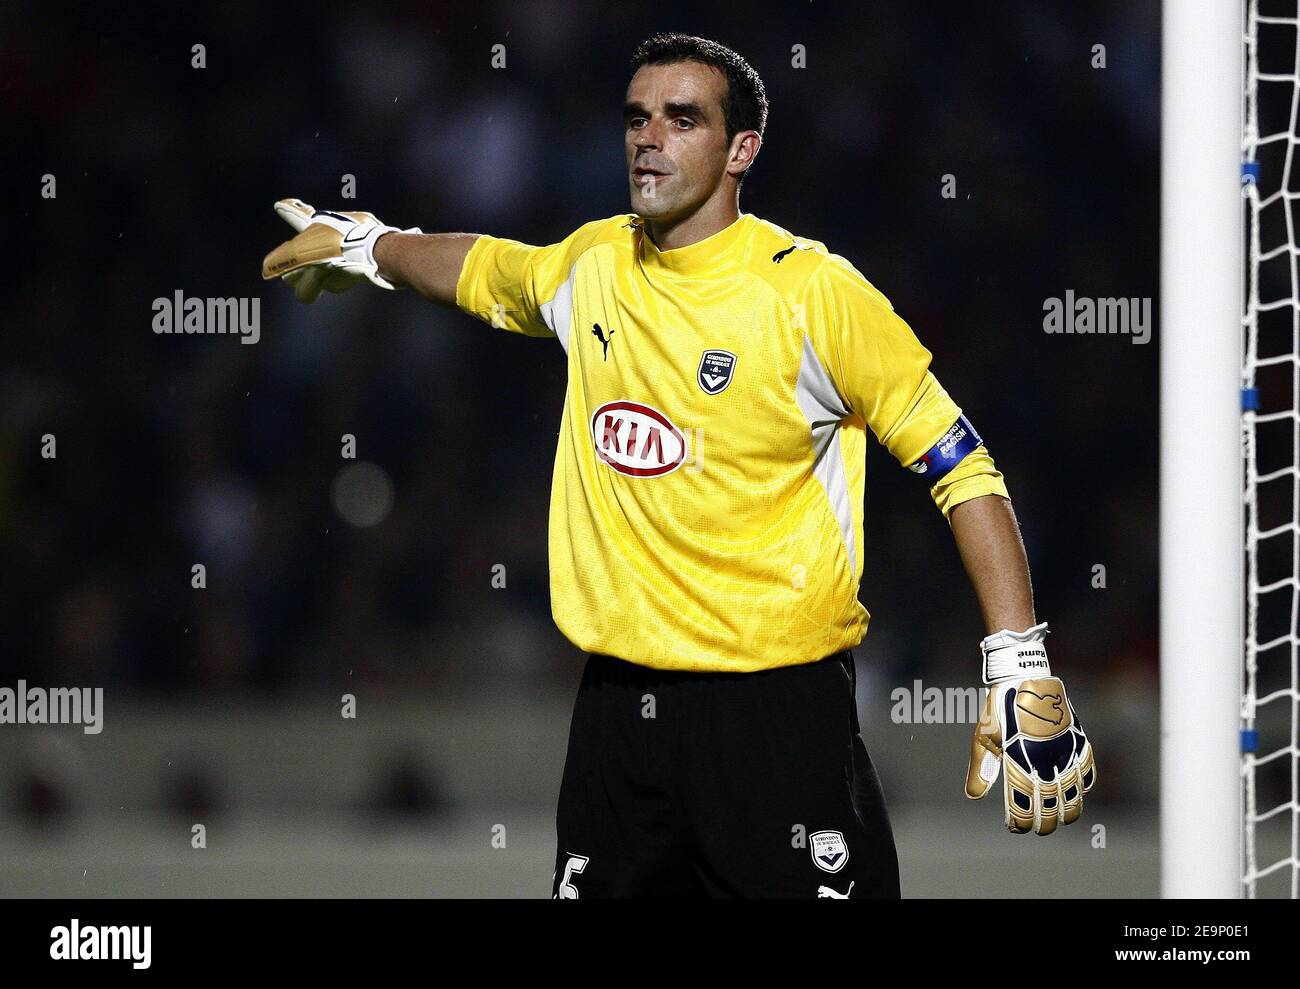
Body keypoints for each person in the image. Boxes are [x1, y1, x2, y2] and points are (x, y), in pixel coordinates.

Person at [262, 32, 1095, 899]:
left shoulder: (812, 294)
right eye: (636, 117)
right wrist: (369, 247)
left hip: (774, 714)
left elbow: (964, 468)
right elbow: (484, 269)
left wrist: (1018, 660)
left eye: (682, 118)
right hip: (618, 717)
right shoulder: (593, 263)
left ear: (742, 150)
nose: (648, 137)